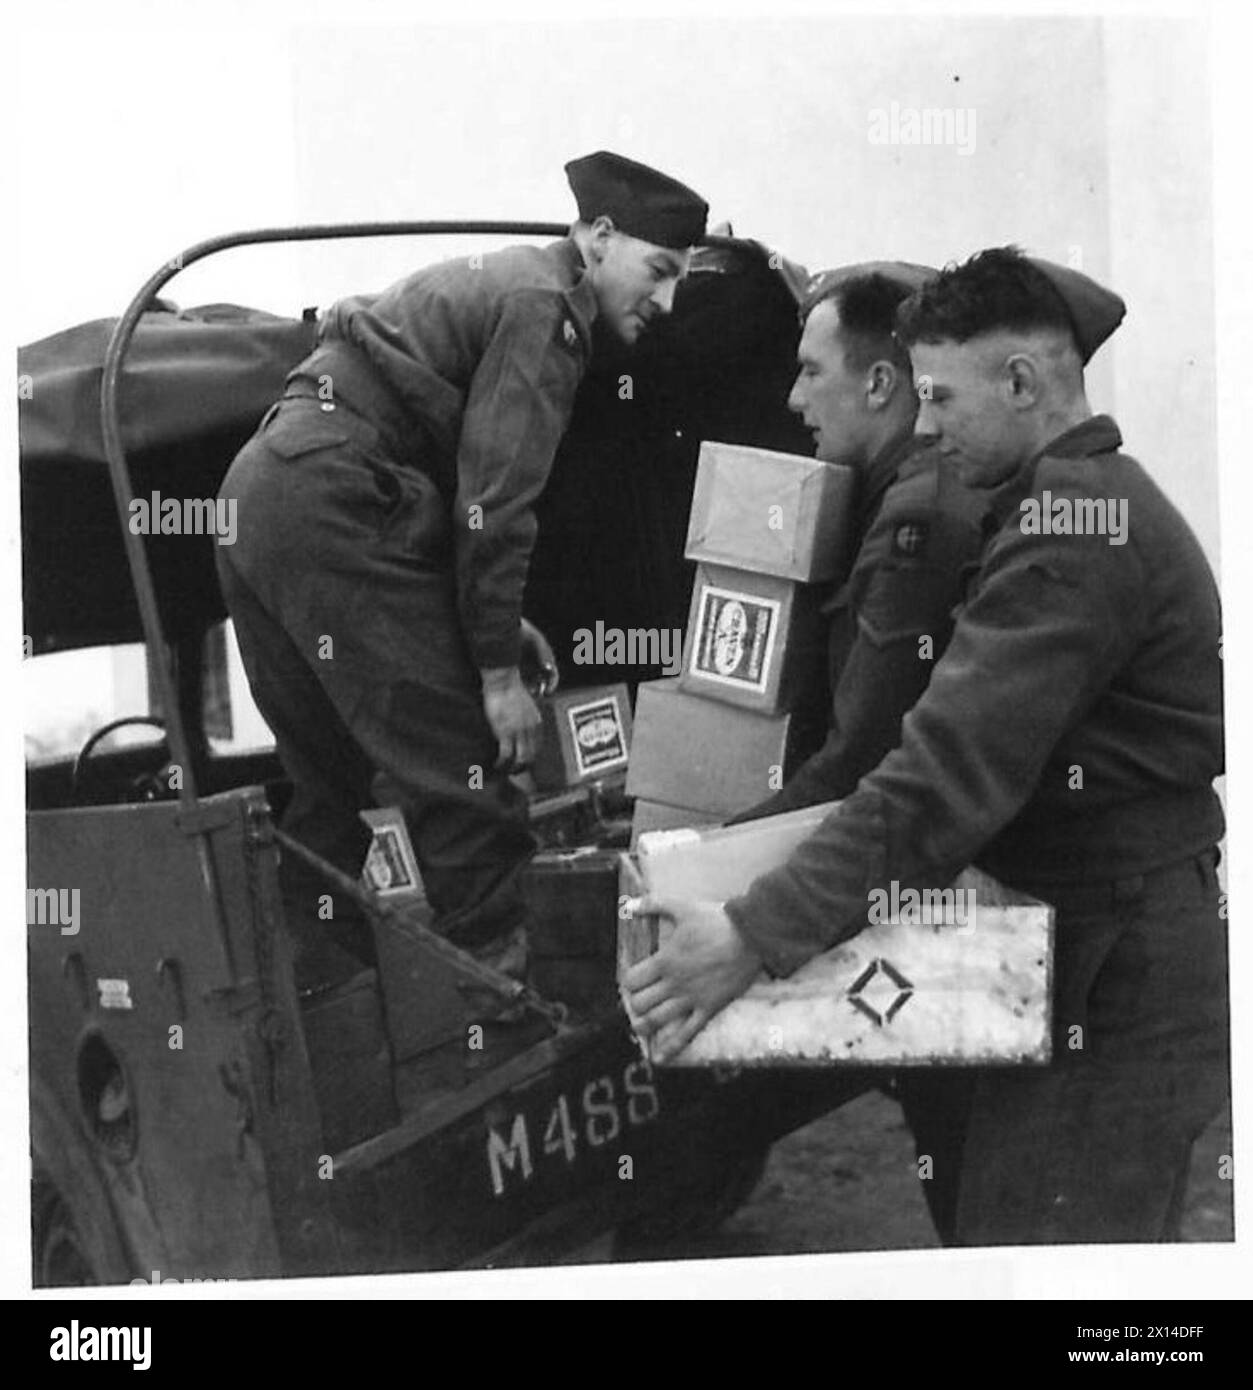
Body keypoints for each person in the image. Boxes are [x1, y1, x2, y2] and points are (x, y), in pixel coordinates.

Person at [625, 247, 1228, 1245]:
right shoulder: (1064, 501)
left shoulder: (1071, 531)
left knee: (1034, 1248)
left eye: (943, 396)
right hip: (1110, 944)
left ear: (1025, 383)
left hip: (1120, 971)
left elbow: (938, 776)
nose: (929, 423)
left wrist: (747, 933)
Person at [217, 151, 708, 988]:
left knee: (326, 786)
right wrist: (492, 674)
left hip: (262, 493)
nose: (662, 302)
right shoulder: (548, 306)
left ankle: (315, 1020)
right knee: (462, 778)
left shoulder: (510, 286)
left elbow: (446, 509)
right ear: (597, 236)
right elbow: (495, 502)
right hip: (336, 489)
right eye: (657, 272)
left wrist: (494, 623)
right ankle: (513, 1019)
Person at [727, 261, 989, 823]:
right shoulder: (892, 495)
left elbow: (861, 758)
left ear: (878, 384)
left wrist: (708, 847)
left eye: (811, 373)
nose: (794, 399)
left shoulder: (915, 519)